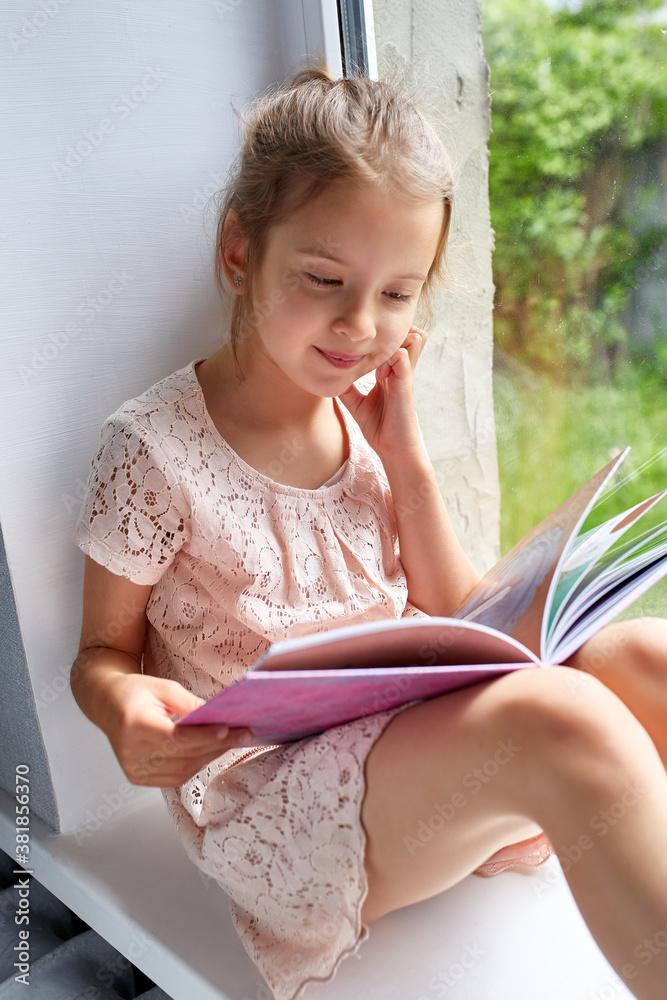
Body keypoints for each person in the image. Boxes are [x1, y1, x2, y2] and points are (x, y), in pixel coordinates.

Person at [70, 64, 667, 1000]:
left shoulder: (361, 423)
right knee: (568, 721)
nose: (360, 326)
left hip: (403, 755)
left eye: (397, 295)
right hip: (273, 806)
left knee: (649, 659)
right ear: (239, 254)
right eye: (324, 281)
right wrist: (120, 711)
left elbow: (454, 617)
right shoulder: (152, 449)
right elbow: (101, 651)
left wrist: (403, 451)